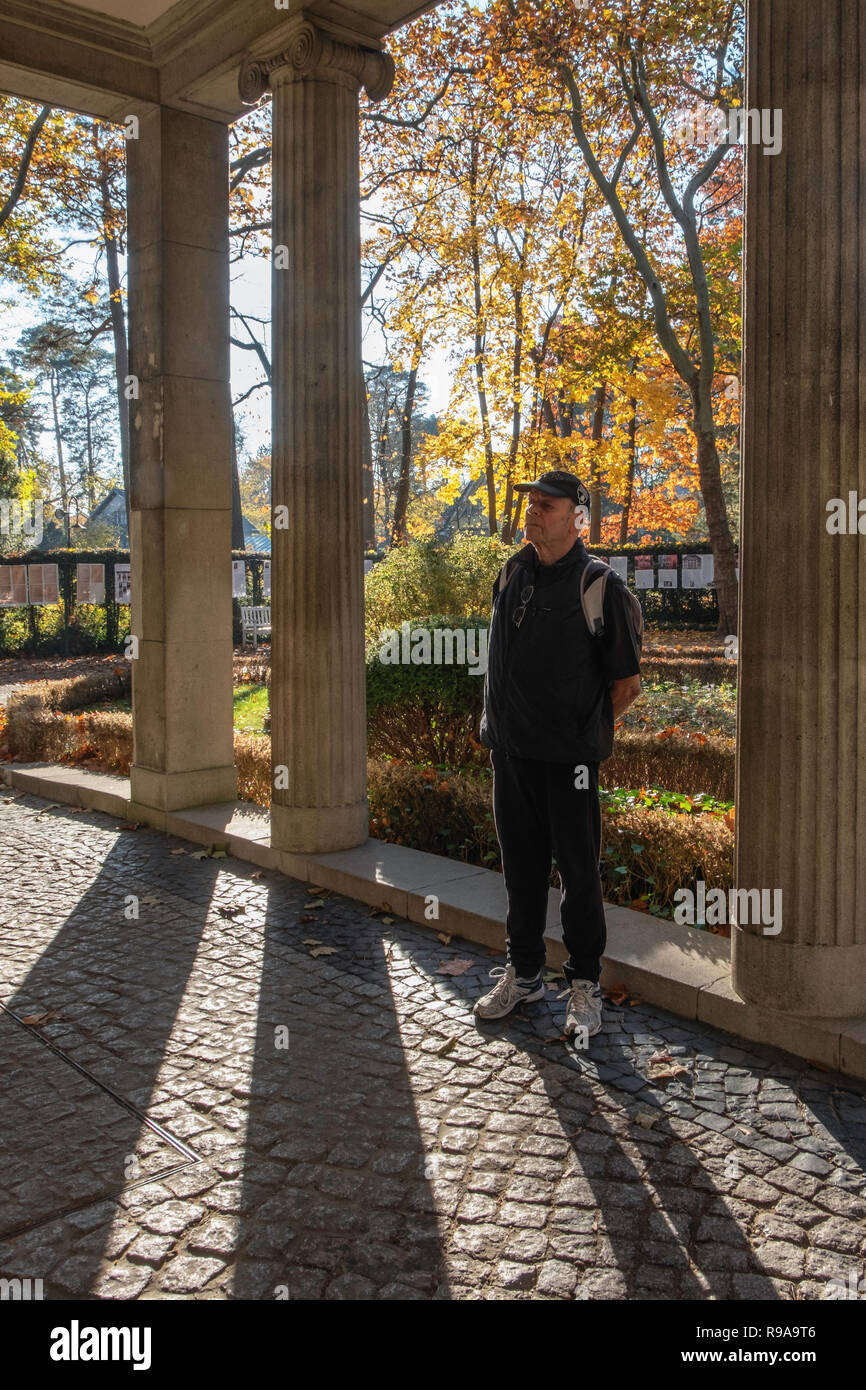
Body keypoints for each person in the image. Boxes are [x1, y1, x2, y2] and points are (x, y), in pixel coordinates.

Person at [474, 470, 642, 1039]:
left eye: (547, 504)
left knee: (578, 874)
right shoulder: (512, 573)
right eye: (532, 503)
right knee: (520, 872)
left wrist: (578, 734)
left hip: (569, 763)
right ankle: (523, 975)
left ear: (577, 516)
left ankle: (584, 984)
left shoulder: (599, 586)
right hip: (512, 756)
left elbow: (627, 687)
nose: (534, 511)